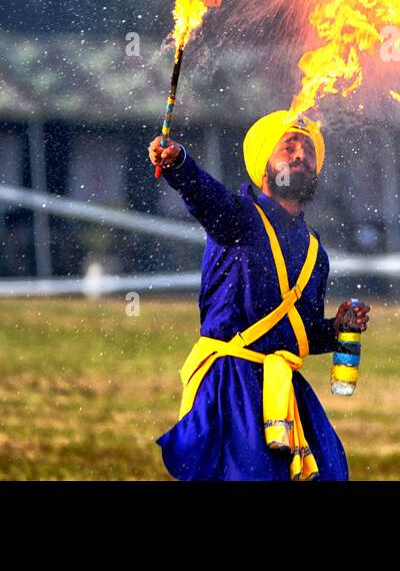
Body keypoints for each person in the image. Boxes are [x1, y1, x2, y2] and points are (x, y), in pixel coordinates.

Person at [148, 109, 371, 480]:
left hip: (283, 392)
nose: (301, 155)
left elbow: (300, 333)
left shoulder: (317, 253)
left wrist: (336, 328)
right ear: (264, 168)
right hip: (231, 383)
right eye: (289, 147)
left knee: (331, 469)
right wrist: (178, 163)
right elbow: (203, 193)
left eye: (309, 151)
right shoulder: (237, 217)